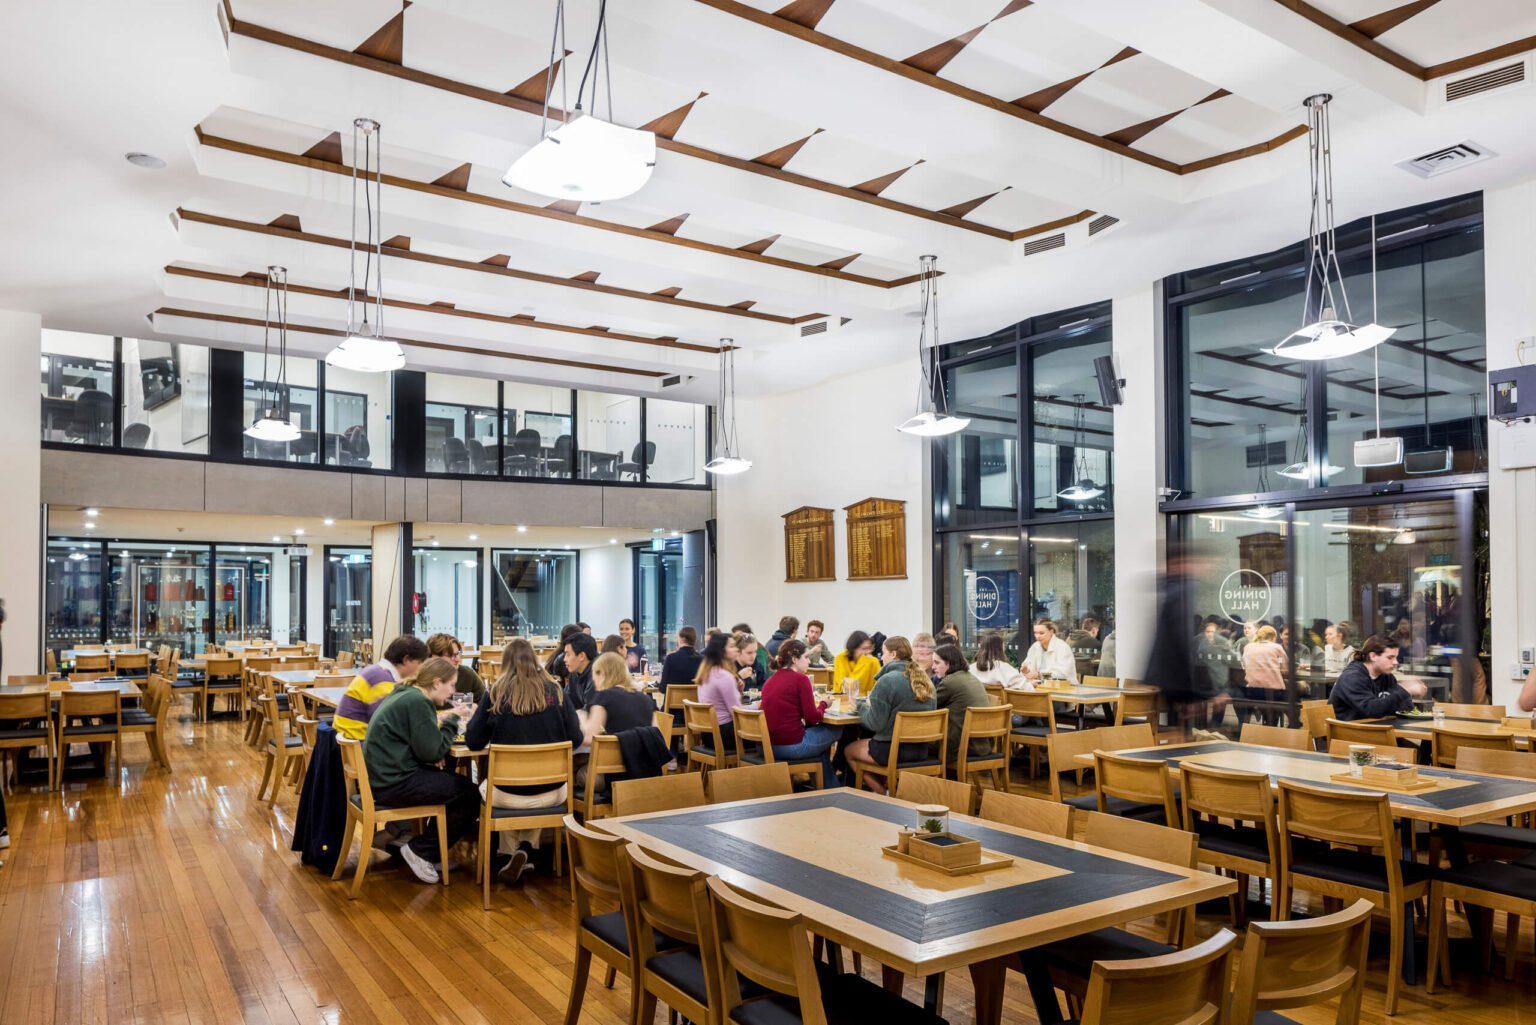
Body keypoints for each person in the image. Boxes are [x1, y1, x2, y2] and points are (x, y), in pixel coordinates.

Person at [463, 639, 584, 883]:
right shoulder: (556, 692)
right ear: (534, 660)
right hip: (552, 792)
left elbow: (473, 741)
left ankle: (509, 854)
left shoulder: (495, 693)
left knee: (494, 787)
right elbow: (576, 738)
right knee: (536, 785)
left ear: (505, 663)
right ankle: (524, 850)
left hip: (506, 795)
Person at [362, 657, 478, 884]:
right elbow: (433, 752)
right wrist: (454, 719)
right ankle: (422, 851)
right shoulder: (418, 702)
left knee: (455, 786)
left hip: (384, 775)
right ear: (436, 682)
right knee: (470, 795)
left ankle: (433, 852)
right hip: (394, 783)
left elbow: (426, 748)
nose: (453, 691)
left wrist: (433, 750)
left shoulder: (407, 693)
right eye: (451, 685)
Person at [842, 636, 936, 795]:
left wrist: (859, 706)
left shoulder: (887, 681)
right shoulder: (926, 680)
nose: (881, 657)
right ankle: (889, 789)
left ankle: (883, 794)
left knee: (849, 751)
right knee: (874, 743)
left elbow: (875, 724)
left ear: (893, 654)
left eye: (883, 653)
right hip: (921, 750)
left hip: (892, 751)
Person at [759, 640, 839, 788]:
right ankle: (841, 776)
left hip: (767, 746)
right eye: (806, 657)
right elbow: (813, 718)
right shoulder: (801, 679)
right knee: (839, 728)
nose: (809, 661)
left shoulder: (769, 681)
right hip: (792, 746)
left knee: (820, 751)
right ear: (795, 659)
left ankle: (830, 787)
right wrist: (824, 704)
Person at [333, 635, 429, 740]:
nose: (421, 669)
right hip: (358, 741)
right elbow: (389, 721)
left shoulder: (377, 671)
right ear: (406, 659)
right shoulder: (382, 678)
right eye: (420, 663)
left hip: (352, 738)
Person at [1329, 635, 1428, 721]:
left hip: (1377, 728)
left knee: (1427, 735)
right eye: (1390, 657)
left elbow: (1405, 708)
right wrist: (1405, 690)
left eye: (1396, 657)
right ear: (1373, 656)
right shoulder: (1352, 677)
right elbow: (1371, 710)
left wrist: (1407, 695)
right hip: (1349, 732)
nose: (1396, 662)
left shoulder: (1386, 676)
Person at [931, 644, 989, 768]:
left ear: (949, 663)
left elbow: (928, 707)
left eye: (937, 662)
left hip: (961, 746)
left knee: (911, 744)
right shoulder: (971, 677)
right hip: (983, 744)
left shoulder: (949, 682)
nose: (933, 667)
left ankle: (911, 779)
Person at [695, 632, 745, 754]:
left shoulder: (707, 672)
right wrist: (758, 705)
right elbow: (737, 712)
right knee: (767, 734)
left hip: (708, 735)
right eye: (732, 646)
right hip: (724, 736)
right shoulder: (724, 676)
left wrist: (738, 691)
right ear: (721, 651)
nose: (737, 649)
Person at [587, 652, 657, 736]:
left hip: (617, 744)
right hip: (645, 745)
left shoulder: (603, 697)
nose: (595, 685)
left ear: (601, 674)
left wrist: (582, 718)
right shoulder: (647, 700)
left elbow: (589, 737)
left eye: (594, 680)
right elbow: (657, 735)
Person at [426, 632, 484, 700]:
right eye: (451, 655)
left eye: (458, 654)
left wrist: (475, 705)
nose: (458, 659)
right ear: (434, 658)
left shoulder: (467, 674)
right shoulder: (422, 679)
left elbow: (486, 702)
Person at [1020, 619, 1077, 684]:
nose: (1037, 636)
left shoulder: (1062, 647)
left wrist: (1039, 674)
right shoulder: (1035, 647)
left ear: (1051, 632)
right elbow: (1028, 668)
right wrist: (1027, 671)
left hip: (1066, 687)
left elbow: (1063, 674)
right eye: (1035, 633)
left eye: (1041, 633)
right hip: (1041, 686)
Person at [1241, 624, 1287, 693]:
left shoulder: (1247, 647)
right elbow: (1286, 670)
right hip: (1275, 692)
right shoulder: (1276, 647)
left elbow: (1244, 666)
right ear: (1273, 637)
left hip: (1252, 690)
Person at [832, 630, 880, 695]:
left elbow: (878, 687)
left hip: (866, 699)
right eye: (864, 648)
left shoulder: (873, 661)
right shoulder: (841, 658)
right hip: (842, 698)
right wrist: (863, 662)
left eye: (869, 648)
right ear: (853, 648)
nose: (868, 652)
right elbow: (846, 688)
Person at [563, 632, 599, 710]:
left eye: (568, 654)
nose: (564, 659)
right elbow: (566, 699)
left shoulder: (598, 674)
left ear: (581, 656)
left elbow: (589, 709)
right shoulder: (575, 672)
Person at [659, 626, 702, 690]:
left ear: (681, 639)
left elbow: (662, 688)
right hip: (696, 696)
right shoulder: (702, 660)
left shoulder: (670, 658)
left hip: (673, 697)